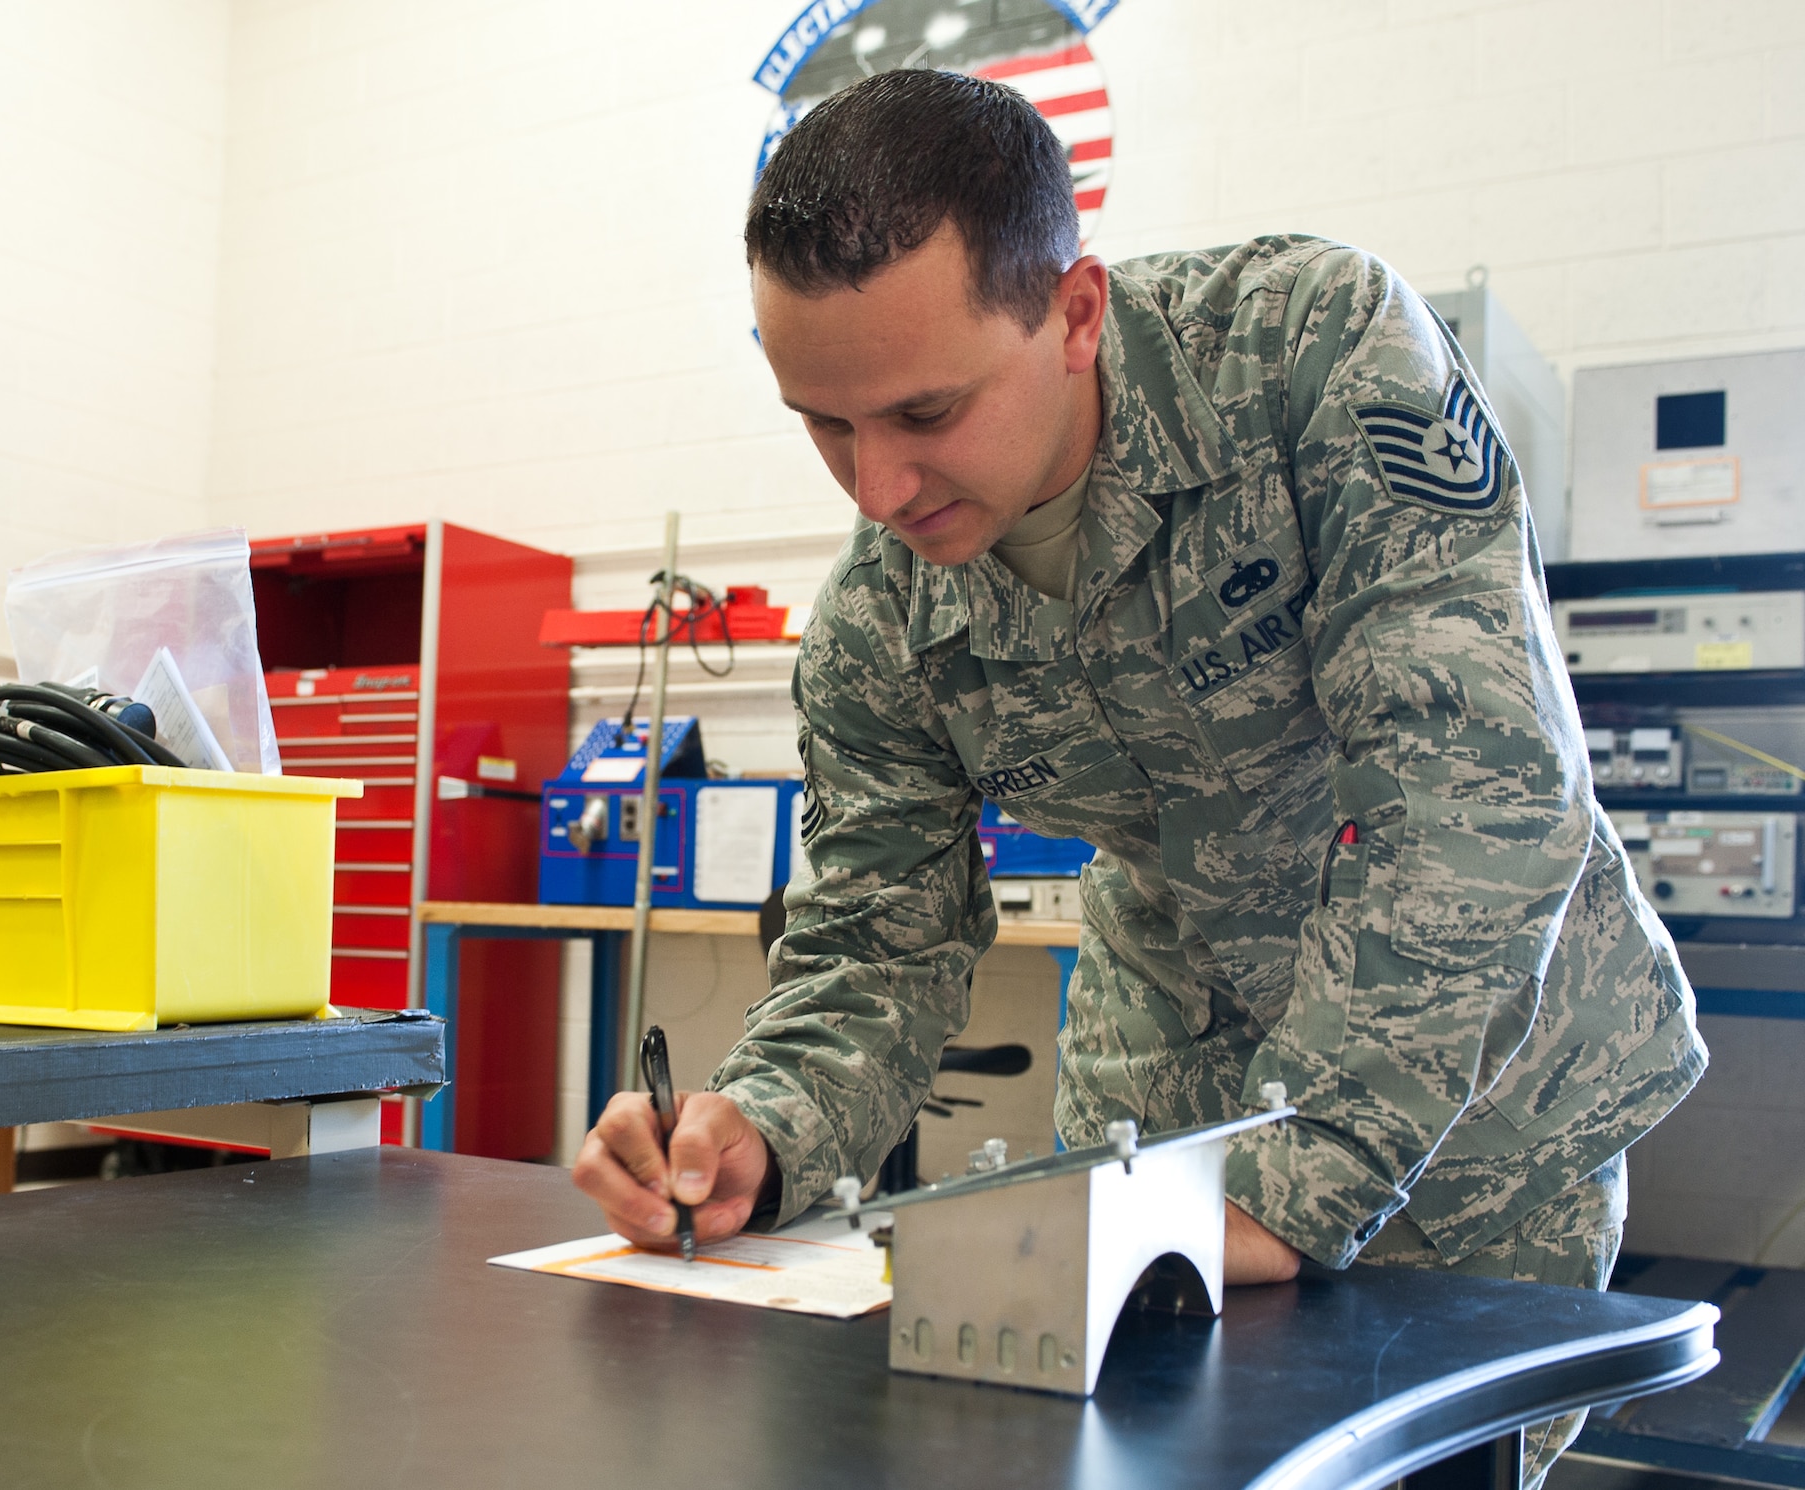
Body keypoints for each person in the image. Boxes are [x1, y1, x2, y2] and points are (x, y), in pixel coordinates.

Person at [573, 67, 1706, 1482]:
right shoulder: (882, 617)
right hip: (1165, 1116)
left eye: (926, 411)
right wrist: (762, 1129)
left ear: (1077, 315)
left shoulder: (1311, 354)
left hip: (1463, 1108)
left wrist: (1294, 1187)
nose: (876, 487)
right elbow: (876, 943)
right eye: (825, 423)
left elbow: (1472, 802)